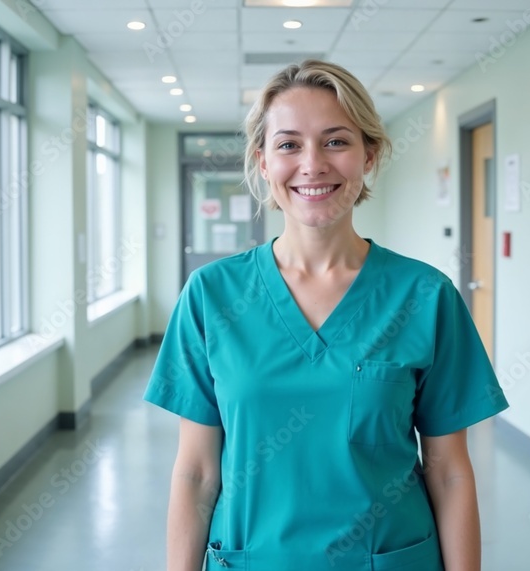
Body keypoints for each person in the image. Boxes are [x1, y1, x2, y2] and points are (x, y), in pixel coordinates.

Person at [143, 59, 508, 571]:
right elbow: (197, 472)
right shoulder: (212, 296)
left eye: (336, 141)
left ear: (369, 156)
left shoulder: (425, 296)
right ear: (263, 162)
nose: (312, 164)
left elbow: (449, 470)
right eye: (289, 144)